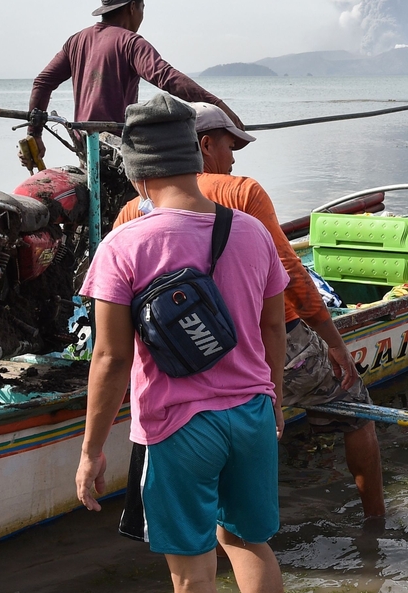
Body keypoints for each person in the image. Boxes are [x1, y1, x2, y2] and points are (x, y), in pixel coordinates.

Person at [113, 102, 386, 519]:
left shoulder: (132, 212)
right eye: (228, 145)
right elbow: (291, 273)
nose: (234, 157)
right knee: (355, 409)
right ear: (203, 145)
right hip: (264, 356)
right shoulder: (243, 191)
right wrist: (335, 344)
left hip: (178, 363)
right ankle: (376, 520)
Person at [77, 93, 288, 593]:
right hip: (253, 413)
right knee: (247, 543)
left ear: (136, 172)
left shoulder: (124, 245)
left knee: (192, 569)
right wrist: (275, 398)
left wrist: (91, 450)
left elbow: (110, 357)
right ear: (196, 158)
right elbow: (274, 328)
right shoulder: (252, 232)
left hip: (177, 427)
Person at [25, 0, 244, 161]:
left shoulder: (76, 40)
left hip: (84, 146)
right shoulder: (130, 42)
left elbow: (42, 82)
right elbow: (168, 78)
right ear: (132, 7)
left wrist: (34, 134)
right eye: (142, 8)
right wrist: (217, 104)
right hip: (115, 150)